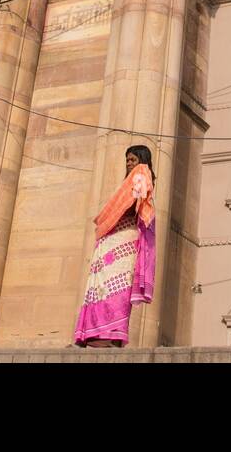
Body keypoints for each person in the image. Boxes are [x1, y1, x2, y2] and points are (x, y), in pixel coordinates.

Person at [73, 145, 156, 347]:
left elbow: (134, 206)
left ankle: (113, 336)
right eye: (127, 160)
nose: (129, 163)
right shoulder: (129, 180)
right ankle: (94, 334)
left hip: (123, 238)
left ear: (142, 160)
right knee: (101, 286)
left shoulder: (141, 174)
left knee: (117, 288)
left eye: (133, 159)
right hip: (112, 238)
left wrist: (111, 215)